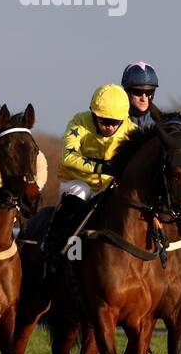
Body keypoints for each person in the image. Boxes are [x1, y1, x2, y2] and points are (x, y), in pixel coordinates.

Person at [43, 84, 138, 265]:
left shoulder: (132, 131)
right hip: (77, 181)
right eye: (103, 121)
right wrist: (101, 167)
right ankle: (56, 249)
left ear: (124, 119)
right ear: (93, 114)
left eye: (114, 122)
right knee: (78, 197)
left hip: (110, 186)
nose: (108, 127)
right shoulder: (79, 122)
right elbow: (68, 158)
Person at [121, 61, 160, 129]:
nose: (144, 99)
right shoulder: (114, 121)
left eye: (149, 92)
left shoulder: (161, 123)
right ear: (127, 93)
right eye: (138, 92)